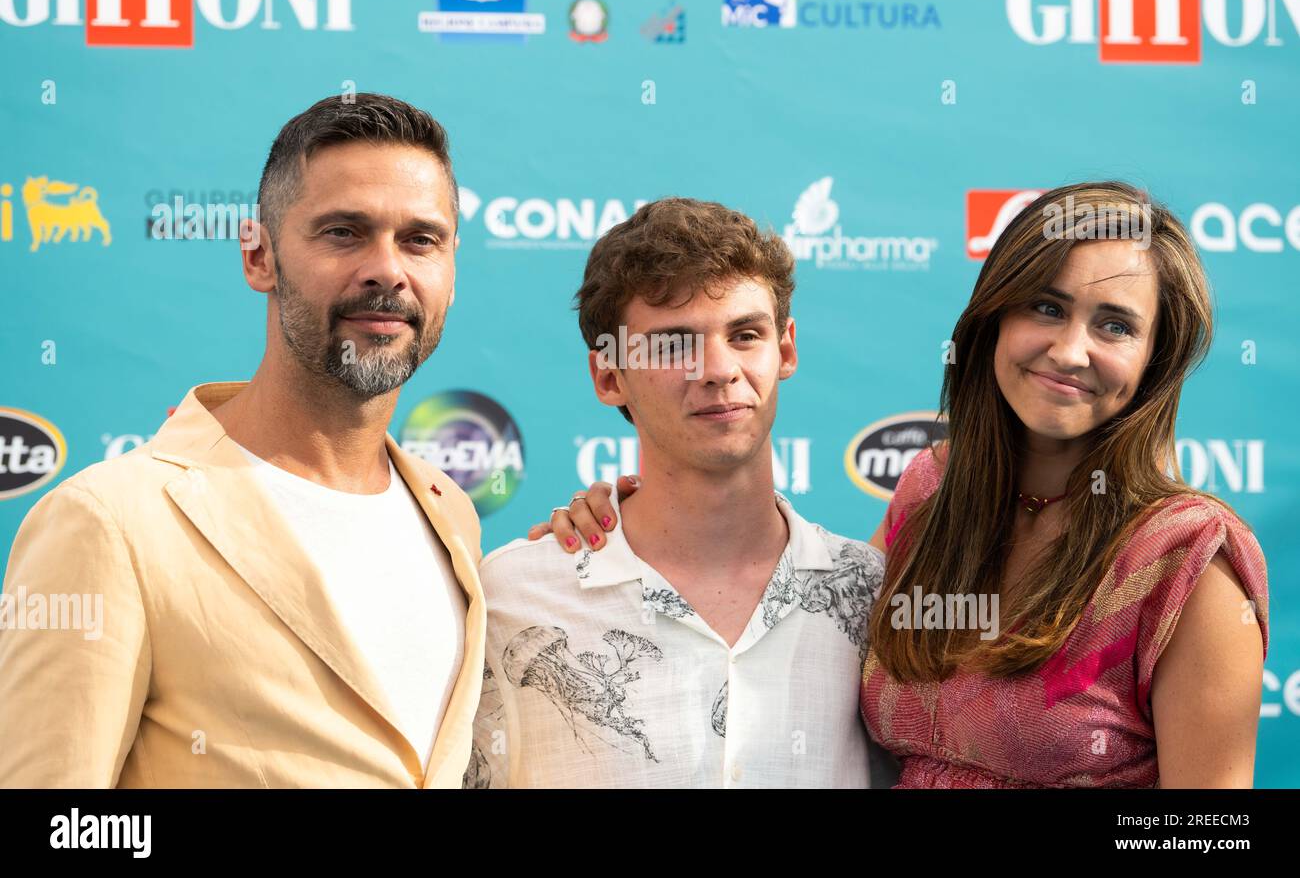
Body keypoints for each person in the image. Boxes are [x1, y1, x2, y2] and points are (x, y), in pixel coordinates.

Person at [554, 181, 1269, 788]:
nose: (1069, 349)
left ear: (1155, 359)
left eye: (1114, 326)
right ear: (994, 318)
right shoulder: (931, 493)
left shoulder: (1189, 562)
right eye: (1046, 307)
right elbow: (799, 597)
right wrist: (623, 523)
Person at [0, 93, 484, 787]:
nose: (386, 269)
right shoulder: (111, 522)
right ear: (259, 257)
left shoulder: (452, 518)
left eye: (420, 239)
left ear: (451, 269)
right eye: (344, 233)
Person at [465, 198, 891, 788]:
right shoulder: (513, 596)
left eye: (745, 334)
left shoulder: (869, 591)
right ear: (609, 377)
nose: (718, 368)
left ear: (785, 350)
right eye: (673, 345)